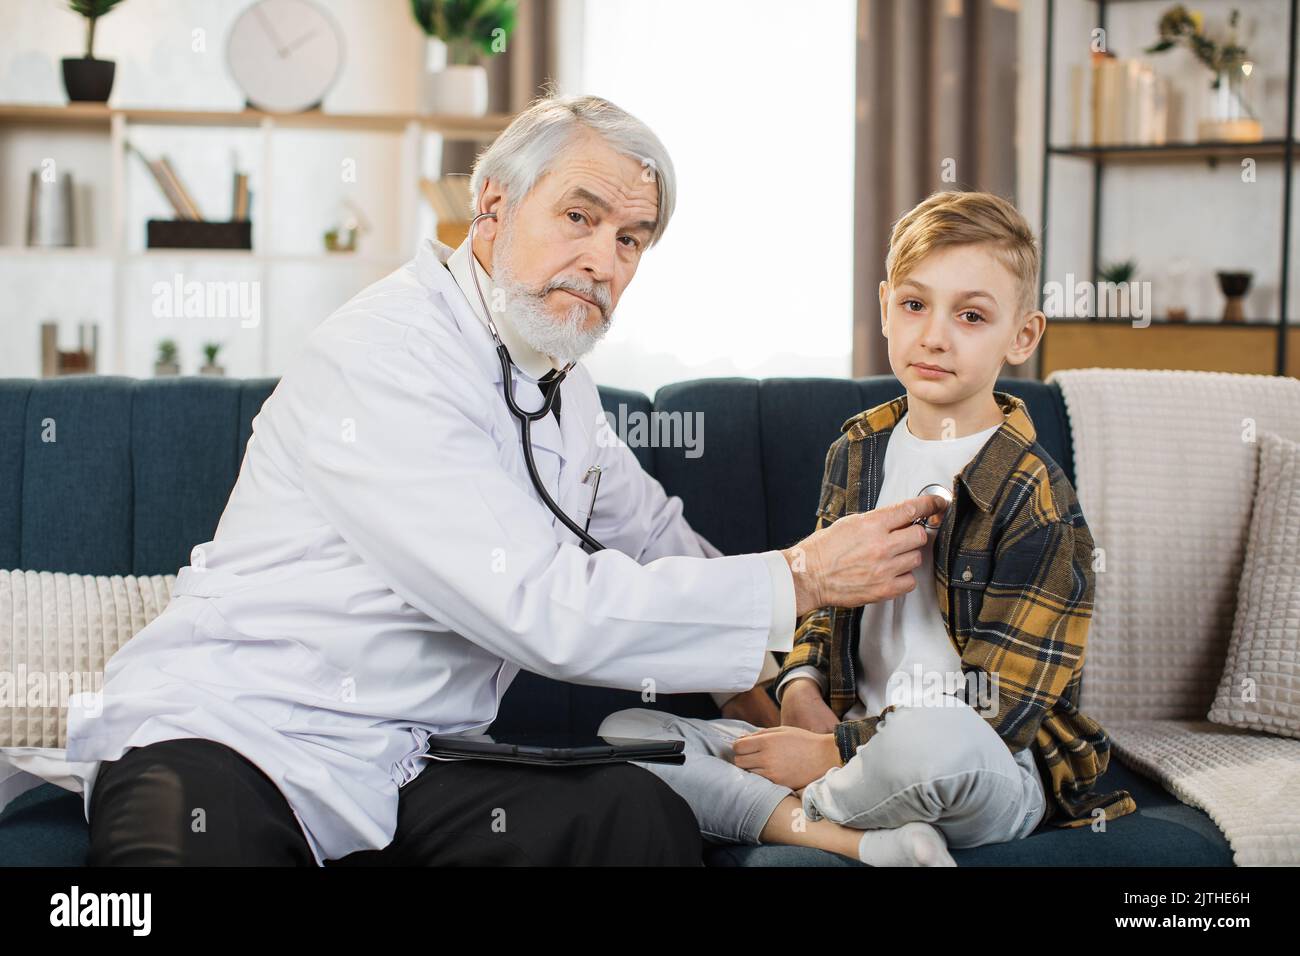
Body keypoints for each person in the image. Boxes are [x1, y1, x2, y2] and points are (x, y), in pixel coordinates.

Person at [66, 93, 946, 866]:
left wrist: (781, 695)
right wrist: (802, 575)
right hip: (235, 737)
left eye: (630, 239)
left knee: (632, 817)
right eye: (580, 217)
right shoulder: (386, 354)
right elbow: (544, 608)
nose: (604, 260)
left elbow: (653, 537)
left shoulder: (560, 382)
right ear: (492, 206)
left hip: (403, 764)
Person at [600, 190, 1138, 866]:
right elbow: (822, 609)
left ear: (1022, 336)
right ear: (885, 306)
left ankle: (791, 806)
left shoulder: (1037, 496)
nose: (934, 335)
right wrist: (799, 690)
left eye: (971, 315)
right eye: (914, 305)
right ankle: (864, 837)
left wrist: (831, 753)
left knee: (936, 739)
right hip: (845, 738)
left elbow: (1000, 704)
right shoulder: (857, 452)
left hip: (980, 762)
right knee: (629, 733)